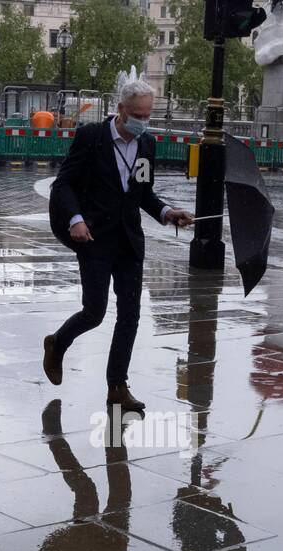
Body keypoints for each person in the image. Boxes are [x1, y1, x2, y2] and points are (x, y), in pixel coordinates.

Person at [45, 79, 194, 413]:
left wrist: (169, 213)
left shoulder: (147, 145)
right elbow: (64, 185)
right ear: (121, 110)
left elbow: (143, 194)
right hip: (94, 238)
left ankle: (117, 387)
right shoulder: (92, 138)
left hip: (129, 241)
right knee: (94, 312)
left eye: (148, 114)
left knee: (130, 315)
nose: (143, 120)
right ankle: (57, 344)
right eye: (137, 114)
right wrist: (75, 220)